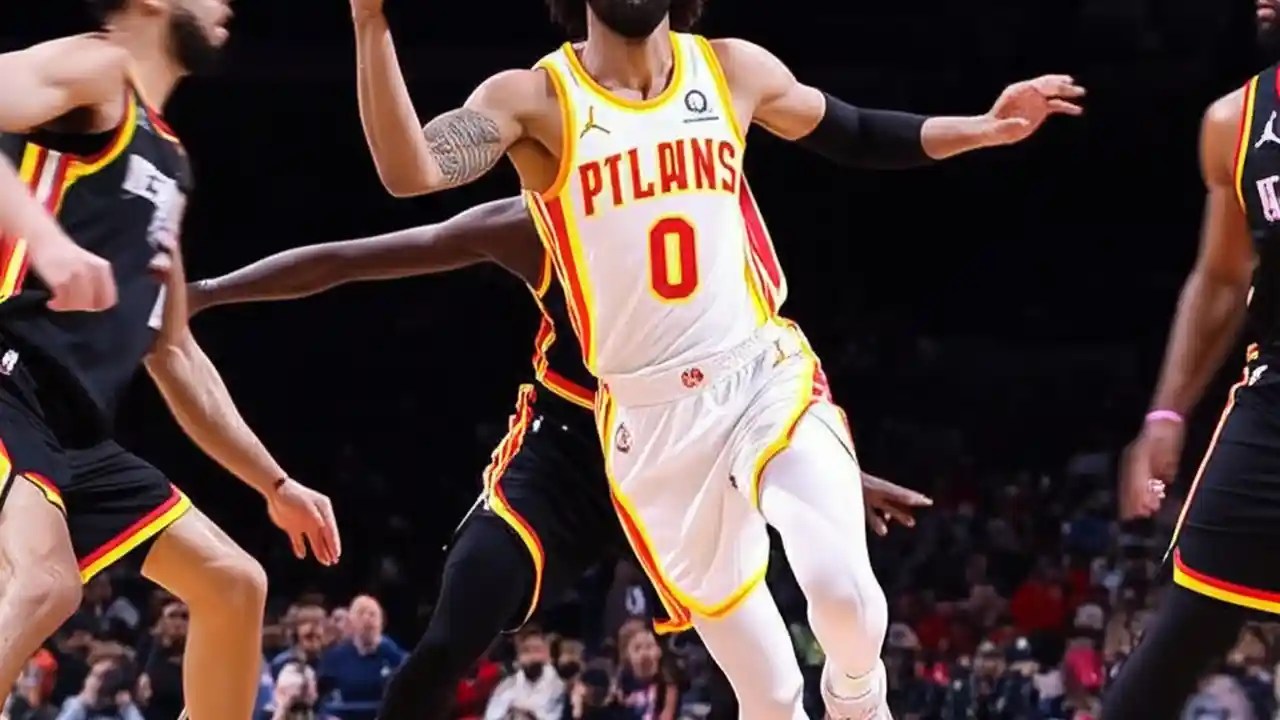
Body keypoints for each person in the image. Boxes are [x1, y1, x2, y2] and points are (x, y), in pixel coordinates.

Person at [351, 0, 1082, 716]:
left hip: (761, 375)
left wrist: (983, 128)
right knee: (767, 694)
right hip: (651, 426)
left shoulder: (730, 67)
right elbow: (412, 170)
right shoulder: (535, 97)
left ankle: (859, 699)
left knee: (843, 595)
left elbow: (855, 131)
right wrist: (371, 20)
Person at [187, 195, 936, 719]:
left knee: (760, 677)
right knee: (462, 614)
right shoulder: (534, 222)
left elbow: (744, 367)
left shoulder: (694, 195)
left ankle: (851, 696)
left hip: (694, 449)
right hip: (574, 451)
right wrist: (211, 291)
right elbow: (350, 259)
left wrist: (839, 470)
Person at [0, 2, 342, 718]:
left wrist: (273, 484)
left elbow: (176, 351)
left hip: (77, 433)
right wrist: (52, 245)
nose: (227, 5)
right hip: (8, 378)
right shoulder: (95, 67)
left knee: (235, 584)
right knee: (46, 584)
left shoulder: (169, 161)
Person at [1107, 1, 1280, 716]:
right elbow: (1220, 277)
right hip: (1275, 395)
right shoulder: (1236, 120)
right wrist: (1167, 410)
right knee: (1181, 635)